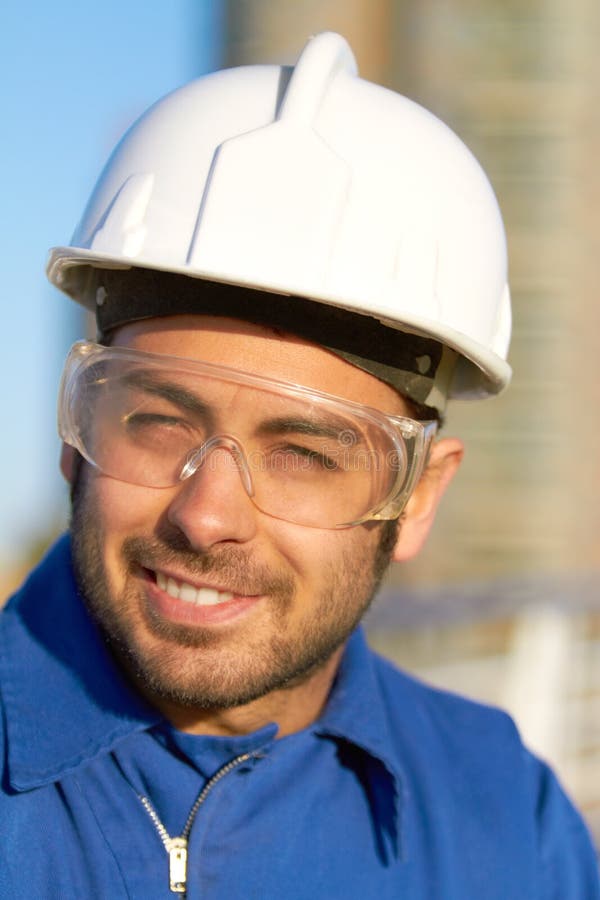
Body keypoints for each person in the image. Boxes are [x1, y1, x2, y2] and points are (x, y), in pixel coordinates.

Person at [1, 31, 597, 900]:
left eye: (304, 455)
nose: (206, 515)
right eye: (159, 422)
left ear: (419, 496)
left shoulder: (504, 815)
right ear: (75, 429)